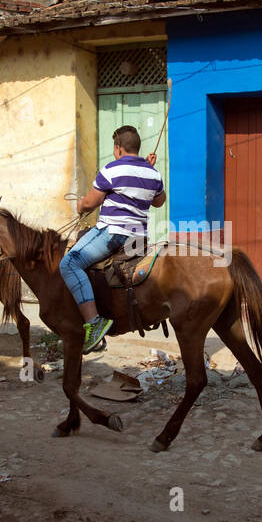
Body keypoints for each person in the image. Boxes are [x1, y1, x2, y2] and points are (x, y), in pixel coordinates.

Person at [62, 125, 165, 353]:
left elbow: (91, 203)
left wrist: (80, 205)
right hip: (139, 237)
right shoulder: (153, 174)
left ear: (118, 149)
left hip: (114, 234)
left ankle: (94, 322)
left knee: (68, 263)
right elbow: (159, 202)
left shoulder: (112, 169)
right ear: (137, 147)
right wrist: (148, 171)